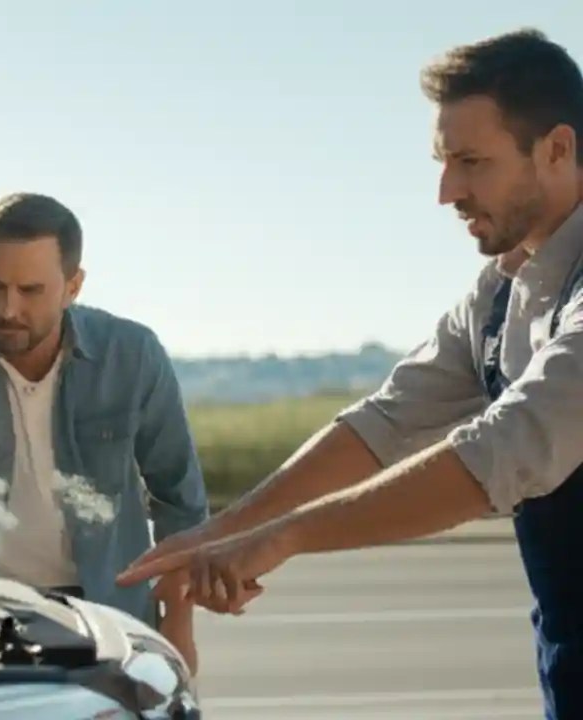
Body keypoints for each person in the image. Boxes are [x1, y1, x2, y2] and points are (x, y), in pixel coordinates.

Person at [115, 28, 583, 718]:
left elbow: (498, 454)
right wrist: (221, 532)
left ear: (558, 149)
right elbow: (385, 421)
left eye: (471, 162)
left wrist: (284, 537)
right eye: (442, 161)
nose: (446, 191)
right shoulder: (499, 294)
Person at [0, 191, 209, 672]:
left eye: (30, 290)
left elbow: (179, 500)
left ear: (73, 286)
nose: (6, 308)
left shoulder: (133, 357)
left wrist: (178, 627)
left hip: (108, 614)